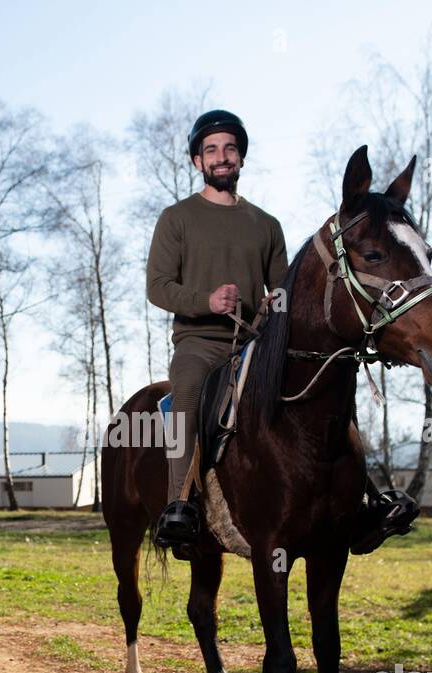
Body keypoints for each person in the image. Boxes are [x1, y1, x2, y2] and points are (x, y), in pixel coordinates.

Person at [145, 109, 286, 550]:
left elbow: (282, 293)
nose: (221, 157)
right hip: (199, 345)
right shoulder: (177, 217)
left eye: (229, 148)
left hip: (255, 346)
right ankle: (180, 504)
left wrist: (273, 305)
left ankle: (362, 496)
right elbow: (157, 287)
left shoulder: (267, 225)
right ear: (197, 161)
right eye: (211, 150)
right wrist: (205, 301)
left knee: (318, 380)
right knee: (185, 390)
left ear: (241, 157)